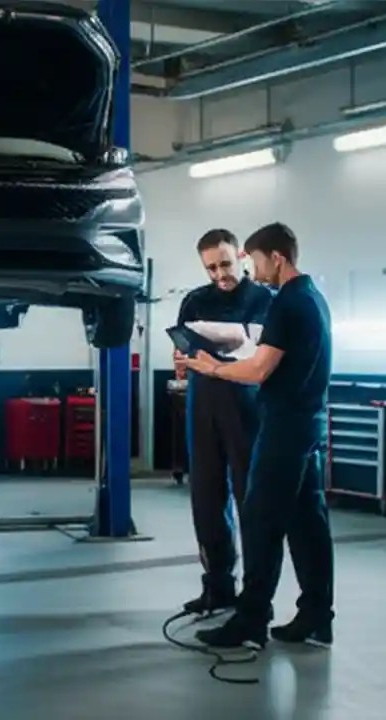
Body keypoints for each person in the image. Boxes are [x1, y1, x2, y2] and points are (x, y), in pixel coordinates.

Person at [184, 222, 335, 650]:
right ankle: (316, 616)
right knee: (308, 523)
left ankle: (250, 620)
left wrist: (212, 368)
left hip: (284, 426)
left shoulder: (286, 303)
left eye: (255, 259)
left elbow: (258, 369)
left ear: (277, 257)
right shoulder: (315, 298)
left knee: (259, 520)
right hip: (309, 423)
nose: (254, 268)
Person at [173, 229, 273, 615]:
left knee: (251, 500)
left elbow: (266, 356)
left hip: (248, 407)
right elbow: (181, 352)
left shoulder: (264, 299)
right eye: (211, 267)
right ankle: (217, 586)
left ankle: (255, 594)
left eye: (226, 264)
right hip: (202, 406)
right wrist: (181, 361)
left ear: (242, 256)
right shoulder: (195, 301)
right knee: (205, 498)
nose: (220, 274)